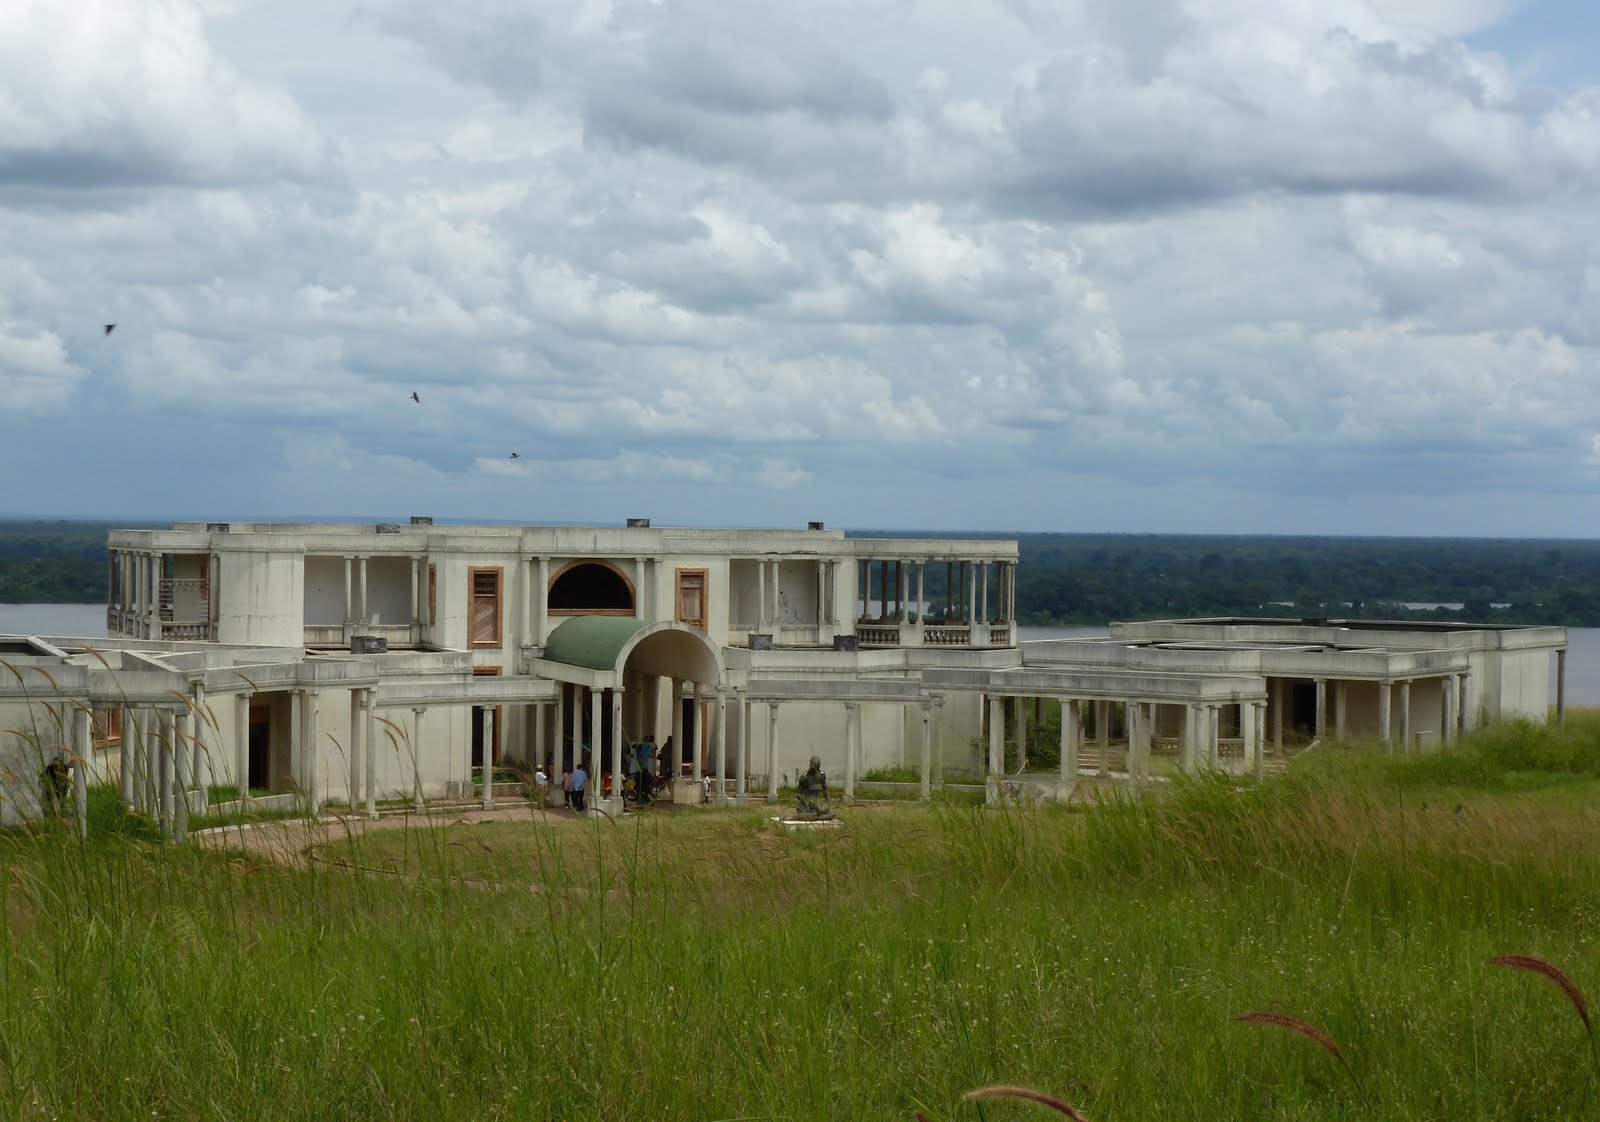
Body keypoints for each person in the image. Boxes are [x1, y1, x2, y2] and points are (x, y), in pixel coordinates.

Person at [796, 755, 833, 820]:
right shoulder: (804, 777)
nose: (816, 769)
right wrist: (806, 802)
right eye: (815, 766)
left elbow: (825, 789)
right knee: (808, 816)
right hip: (805, 806)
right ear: (811, 765)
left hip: (816, 805)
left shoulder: (821, 775)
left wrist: (828, 802)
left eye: (818, 766)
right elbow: (798, 794)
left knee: (829, 814)